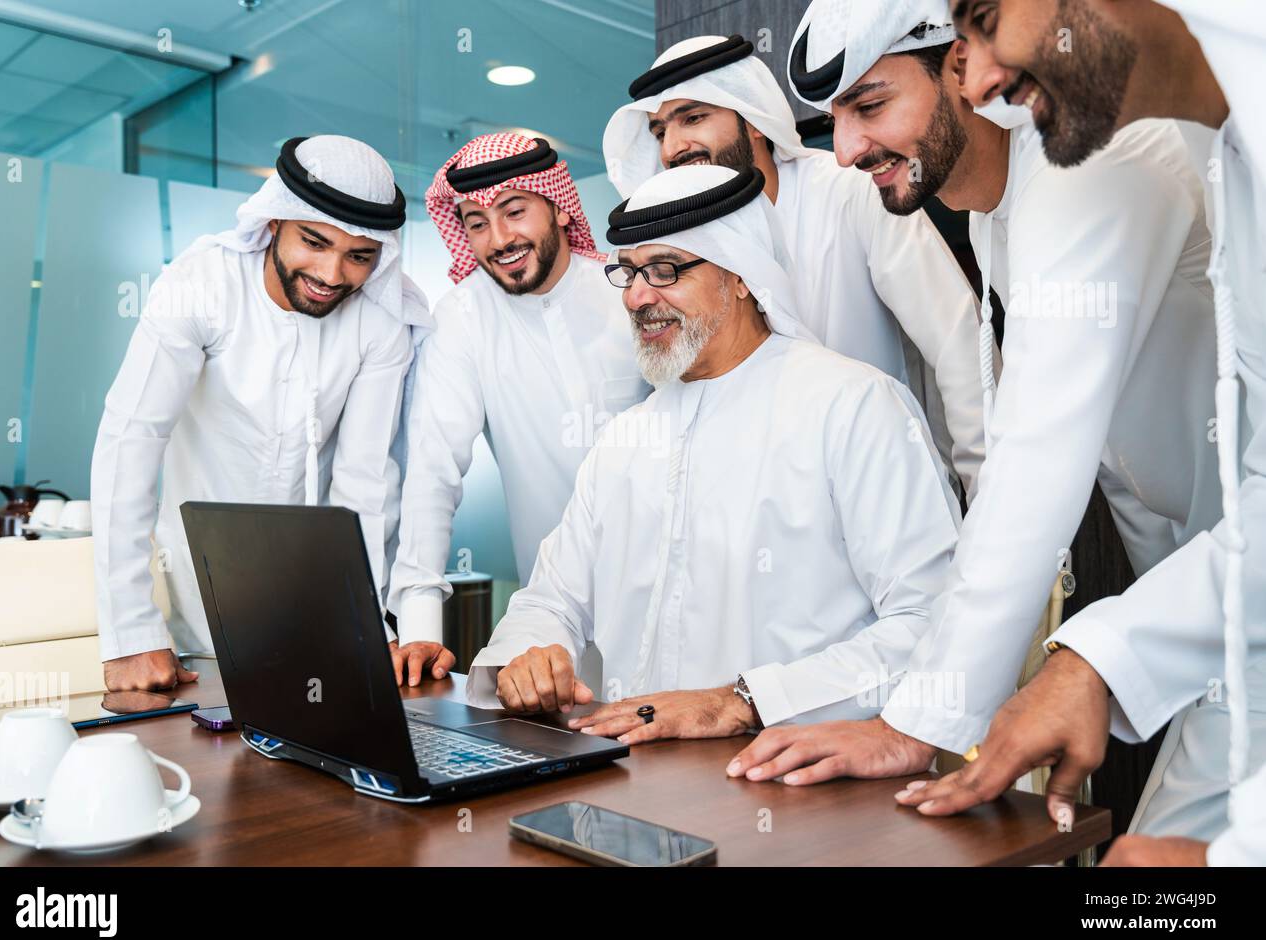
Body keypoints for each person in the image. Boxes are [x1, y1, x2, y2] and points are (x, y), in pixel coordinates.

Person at [729, 0, 1231, 840]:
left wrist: (917, 722)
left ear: (963, 68)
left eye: (870, 104)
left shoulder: (1087, 162)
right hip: (1205, 618)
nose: (846, 152)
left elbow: (1038, 455)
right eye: (834, 120)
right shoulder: (998, 207)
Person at [892, 0, 1266, 862]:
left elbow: (1034, 460)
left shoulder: (1102, 163)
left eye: (987, 20)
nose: (980, 80)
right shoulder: (1225, 146)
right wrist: (1098, 658)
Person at [463, 163, 961, 746]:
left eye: (665, 271)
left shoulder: (853, 406)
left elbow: (931, 619)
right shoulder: (625, 440)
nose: (639, 298)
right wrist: (530, 656)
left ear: (742, 274)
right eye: (628, 275)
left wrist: (743, 700)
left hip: (807, 790)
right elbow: (553, 600)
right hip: (635, 784)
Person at [92, 135, 432, 693]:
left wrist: (360, 620)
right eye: (315, 242)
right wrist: (131, 631)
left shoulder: (382, 319)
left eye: (359, 255)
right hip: (191, 602)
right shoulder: (201, 287)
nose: (331, 273)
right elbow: (128, 443)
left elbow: (364, 484)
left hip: (315, 612)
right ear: (275, 222)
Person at [605, 34, 986, 495]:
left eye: (693, 118)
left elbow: (955, 342)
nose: (673, 148)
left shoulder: (850, 191)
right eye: (660, 131)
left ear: (754, 120)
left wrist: (987, 493)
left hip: (884, 485)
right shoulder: (667, 254)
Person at [385, 133, 650, 684]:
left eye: (514, 211)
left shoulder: (629, 294)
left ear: (556, 205)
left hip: (670, 593)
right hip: (553, 617)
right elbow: (433, 470)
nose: (498, 238)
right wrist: (418, 624)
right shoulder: (464, 317)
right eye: (476, 223)